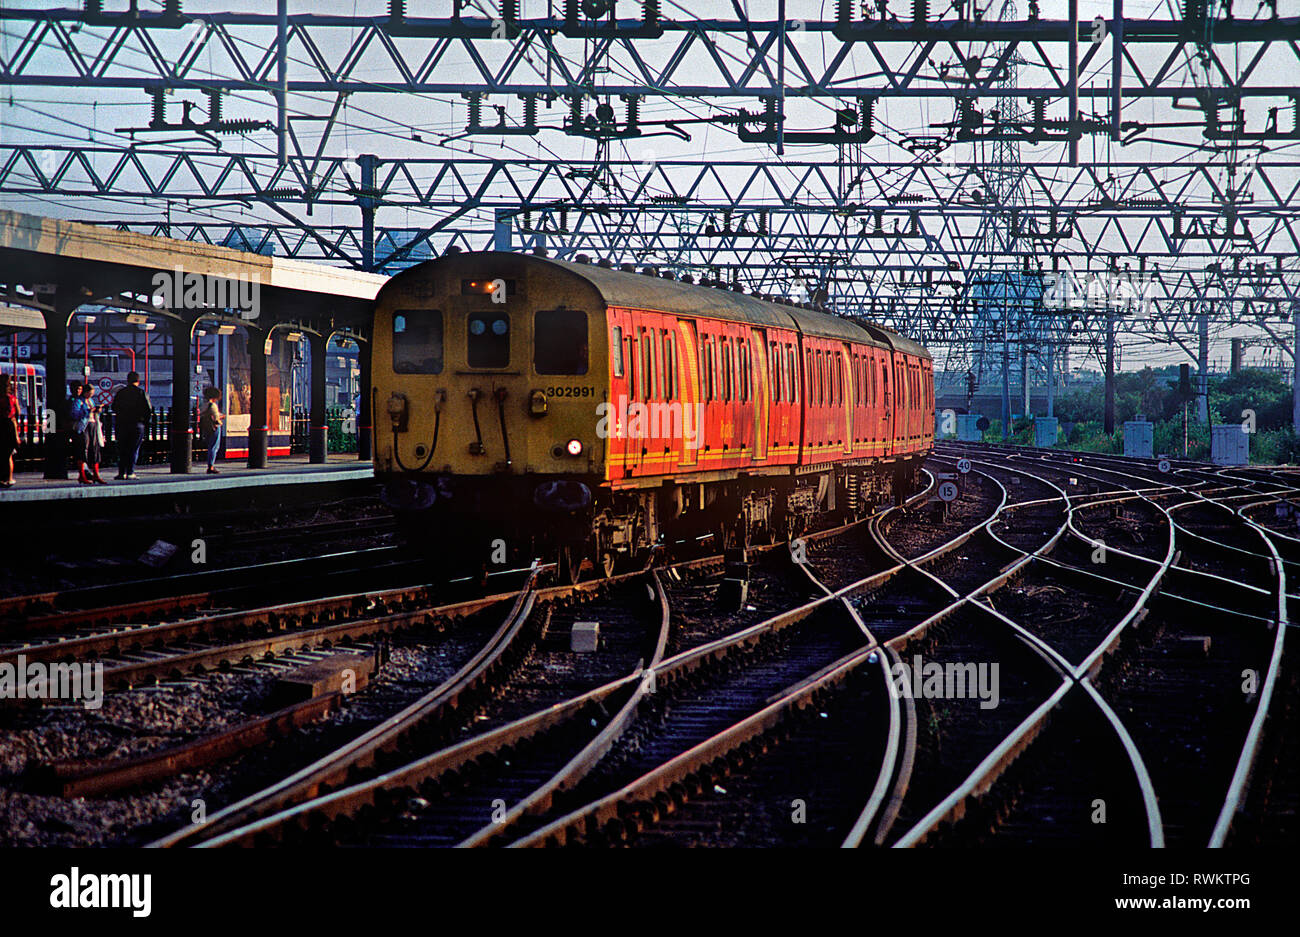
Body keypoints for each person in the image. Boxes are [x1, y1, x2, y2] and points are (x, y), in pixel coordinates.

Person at [112, 371, 152, 480]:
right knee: (133, 449)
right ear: (138, 381)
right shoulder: (142, 393)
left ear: (127, 380)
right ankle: (130, 472)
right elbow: (148, 410)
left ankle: (121, 473)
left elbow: (114, 407)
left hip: (122, 424)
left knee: (122, 449)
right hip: (137, 425)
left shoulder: (121, 393)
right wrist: (145, 423)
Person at [69, 383, 105, 485]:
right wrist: (87, 411)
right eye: (89, 393)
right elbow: (74, 414)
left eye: (92, 394)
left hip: (93, 425)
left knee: (94, 449)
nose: (90, 396)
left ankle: (96, 475)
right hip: (83, 427)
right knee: (83, 449)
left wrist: (97, 410)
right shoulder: (78, 401)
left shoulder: (91, 401)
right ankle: (82, 475)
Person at [199, 386, 224, 474]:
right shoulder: (213, 405)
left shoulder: (204, 404)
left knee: (210, 445)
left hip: (207, 427)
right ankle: (211, 466)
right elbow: (216, 418)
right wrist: (222, 417)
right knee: (214, 447)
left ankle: (210, 465)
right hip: (215, 427)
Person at [0, 374, 18, 488]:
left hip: (0, 425)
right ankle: (9, 478)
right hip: (9, 425)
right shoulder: (12, 398)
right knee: (9, 454)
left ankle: (2, 477)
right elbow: (17, 414)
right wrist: (17, 434)